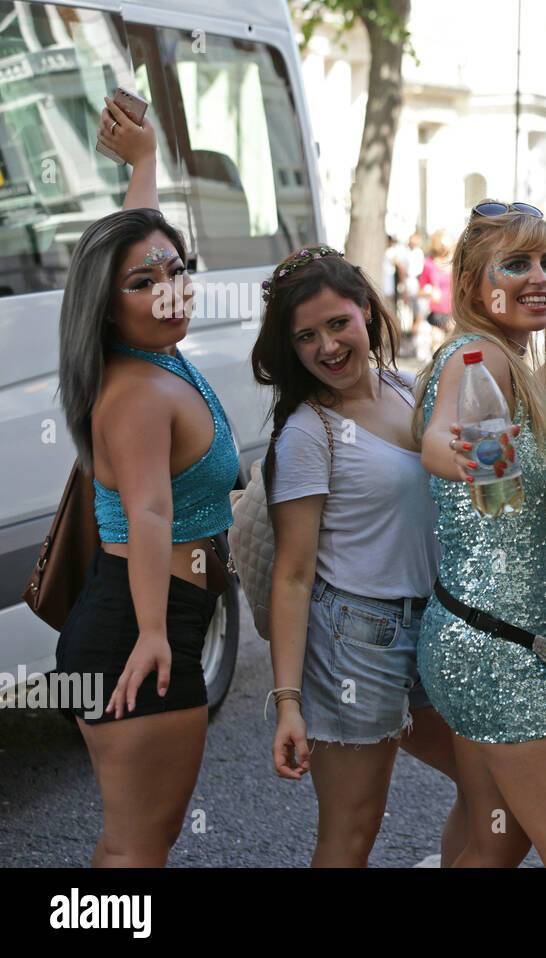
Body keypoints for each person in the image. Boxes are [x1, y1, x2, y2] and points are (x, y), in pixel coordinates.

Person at [53, 101, 235, 866]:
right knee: (137, 846)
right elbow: (151, 515)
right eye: (145, 282)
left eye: (178, 269)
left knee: (141, 839)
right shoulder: (136, 395)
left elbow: (136, 242)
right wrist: (158, 634)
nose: (170, 288)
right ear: (108, 307)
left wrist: (144, 166)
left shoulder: (153, 353)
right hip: (138, 631)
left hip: (153, 622)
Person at [416, 202, 546, 866]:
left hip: (473, 639)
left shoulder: (503, 362)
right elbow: (433, 444)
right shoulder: (477, 355)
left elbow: (545, 387)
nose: (539, 276)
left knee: (495, 842)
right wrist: (487, 472)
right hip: (497, 655)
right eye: (516, 264)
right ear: (476, 285)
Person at [253, 245, 464, 867]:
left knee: (496, 785)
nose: (327, 346)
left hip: (439, 625)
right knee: (352, 829)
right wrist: (288, 703)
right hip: (356, 638)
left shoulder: (408, 390)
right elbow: (291, 578)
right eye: (306, 337)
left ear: (367, 312)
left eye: (338, 323)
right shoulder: (307, 433)